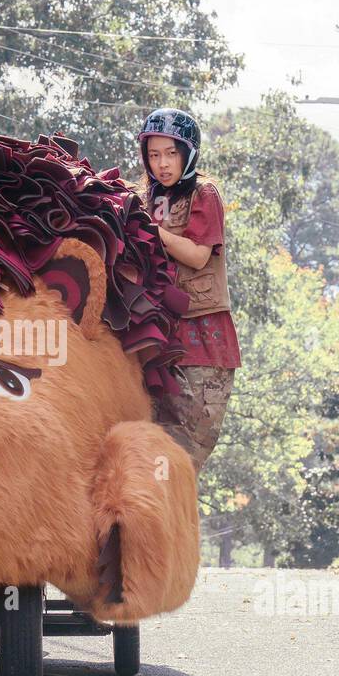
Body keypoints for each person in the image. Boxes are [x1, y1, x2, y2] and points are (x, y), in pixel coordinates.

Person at [138, 107, 241, 472]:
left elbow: (198, 255)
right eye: (154, 154)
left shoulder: (204, 193)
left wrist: (151, 231)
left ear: (189, 153)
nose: (162, 163)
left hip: (203, 345)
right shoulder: (146, 199)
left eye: (171, 153)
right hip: (158, 343)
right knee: (148, 455)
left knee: (181, 458)